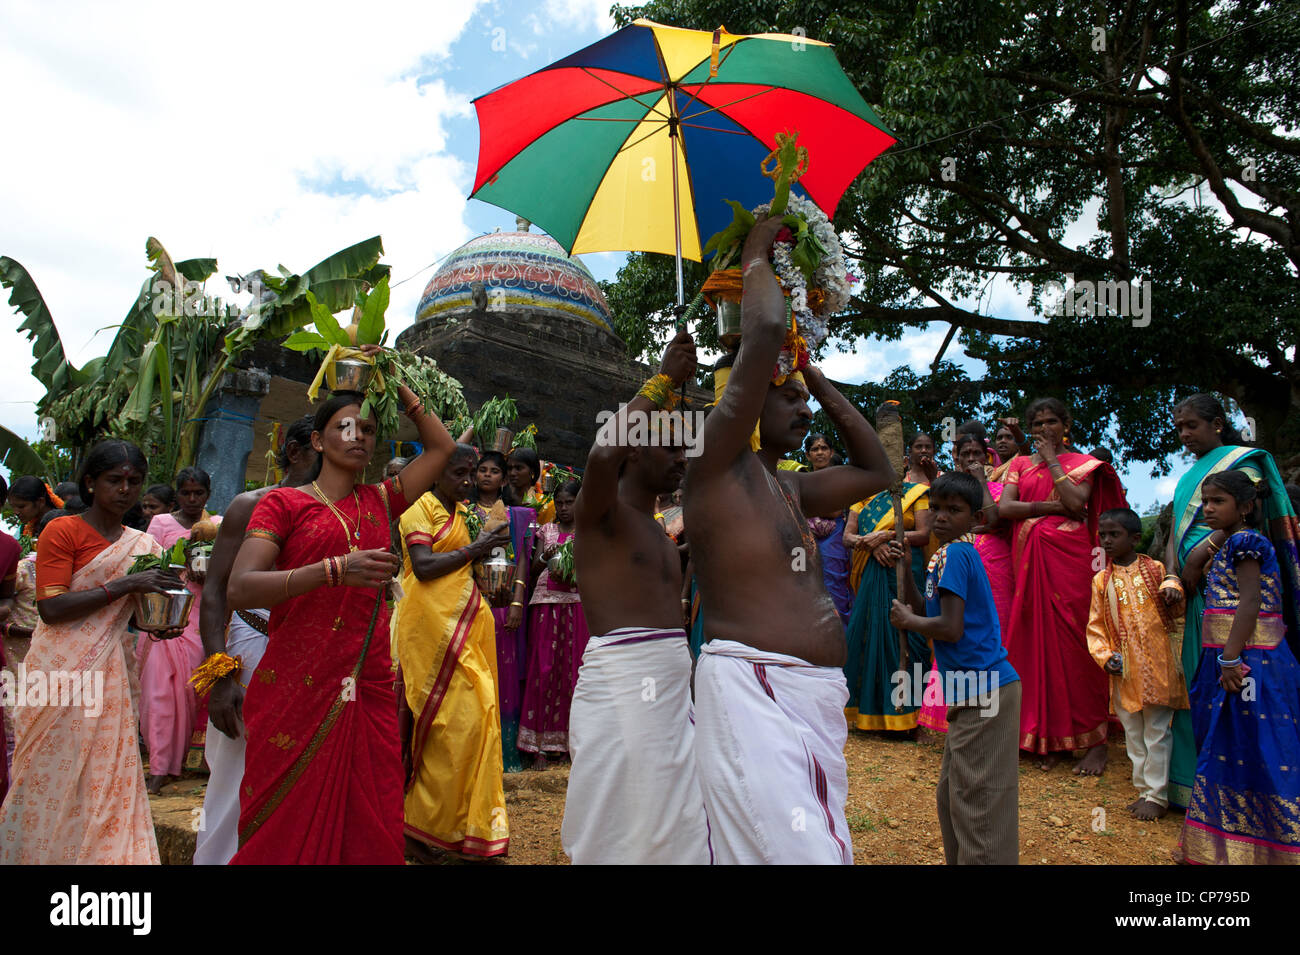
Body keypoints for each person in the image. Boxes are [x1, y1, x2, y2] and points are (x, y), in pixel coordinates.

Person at [685, 215, 895, 864]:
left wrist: (814, 375)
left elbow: (877, 469)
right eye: (790, 398)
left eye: (807, 402)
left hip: (814, 696)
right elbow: (767, 328)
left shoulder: (795, 487)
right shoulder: (715, 465)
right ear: (750, 401)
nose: (805, 411)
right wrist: (757, 245)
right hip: (752, 688)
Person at [226, 373, 455, 864]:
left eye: (368, 430)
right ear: (317, 439)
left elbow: (441, 447)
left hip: (364, 682)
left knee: (368, 809)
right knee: (284, 815)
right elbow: (241, 586)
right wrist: (333, 571)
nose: (358, 438)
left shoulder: (381, 500)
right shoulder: (284, 504)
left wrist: (397, 386)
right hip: (295, 683)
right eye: (345, 427)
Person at [0, 440, 184, 863]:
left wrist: (163, 623)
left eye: (133, 481)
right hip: (57, 671)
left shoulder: (143, 545)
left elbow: (134, 618)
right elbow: (51, 608)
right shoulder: (62, 530)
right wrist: (124, 585)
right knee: (47, 772)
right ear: (90, 482)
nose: (124, 489)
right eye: (113, 480)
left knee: (106, 777)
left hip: (111, 671)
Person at [564, 328, 709, 864]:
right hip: (623, 680)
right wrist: (665, 380)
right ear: (632, 452)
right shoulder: (599, 516)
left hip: (671, 680)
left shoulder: (660, 530)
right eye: (668, 447)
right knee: (620, 816)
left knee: (672, 814)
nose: (681, 459)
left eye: (683, 448)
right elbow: (601, 453)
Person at [1163, 393, 1300, 808]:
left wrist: (1201, 558)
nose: (1185, 434)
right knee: (1197, 684)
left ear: (1218, 423)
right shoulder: (1191, 476)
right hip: (1195, 594)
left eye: (1192, 425)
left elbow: (1242, 516)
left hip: (1230, 598)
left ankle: (1250, 796)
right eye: (1179, 428)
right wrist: (1174, 572)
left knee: (1239, 697)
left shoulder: (1245, 460)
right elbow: (1173, 532)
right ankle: (1193, 784)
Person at [191, 415, 317, 865]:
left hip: (311, 659)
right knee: (232, 778)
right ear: (296, 451)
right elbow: (215, 594)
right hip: (251, 647)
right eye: (323, 452)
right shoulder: (250, 505)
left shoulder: (336, 511)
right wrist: (219, 679)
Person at [889, 471, 1021, 864]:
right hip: (973, 690)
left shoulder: (958, 554)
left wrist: (909, 623)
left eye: (954, 510)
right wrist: (908, 572)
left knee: (977, 800)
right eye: (936, 509)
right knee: (954, 795)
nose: (942, 517)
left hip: (986, 691)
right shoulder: (942, 557)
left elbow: (948, 627)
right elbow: (926, 608)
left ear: (976, 518)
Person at [1174, 471, 1300, 864]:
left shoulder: (1246, 541)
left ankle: (1271, 848)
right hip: (1235, 658)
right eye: (1205, 502)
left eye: (1218, 502)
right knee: (1229, 747)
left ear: (1245, 507)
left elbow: (1250, 604)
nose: (1208, 509)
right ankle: (1221, 846)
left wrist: (1230, 659)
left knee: (1252, 747)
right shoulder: (1232, 541)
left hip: (1248, 663)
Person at [997, 397, 1127, 773]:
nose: (1043, 430)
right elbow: (1006, 509)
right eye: (1036, 425)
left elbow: (1076, 502)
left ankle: (1095, 741)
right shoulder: (1019, 464)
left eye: (1051, 422)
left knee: (1078, 646)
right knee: (1036, 646)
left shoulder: (1082, 464)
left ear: (1066, 424)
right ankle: (1050, 738)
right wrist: (1048, 509)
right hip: (1030, 565)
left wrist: (1053, 461)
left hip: (1071, 565)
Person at [394, 444, 510, 861]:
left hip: (466, 627)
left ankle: (458, 826)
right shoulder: (418, 511)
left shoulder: (464, 514)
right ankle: (417, 826)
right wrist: (475, 550)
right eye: (459, 473)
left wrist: (493, 571)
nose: (467, 481)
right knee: (444, 723)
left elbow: (467, 569)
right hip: (429, 630)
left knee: (477, 721)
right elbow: (424, 567)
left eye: (471, 472)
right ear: (435, 473)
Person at [1085, 508, 1189, 821]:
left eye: (1113, 534)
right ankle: (1144, 789)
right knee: (1133, 733)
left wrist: (1176, 590)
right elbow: (1095, 626)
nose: (1106, 540)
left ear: (1134, 537)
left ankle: (1156, 796)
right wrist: (1105, 657)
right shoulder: (1101, 580)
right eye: (1102, 535)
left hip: (1159, 668)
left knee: (1157, 732)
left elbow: (1178, 611)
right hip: (1124, 671)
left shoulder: (1157, 569)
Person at [841, 446, 933, 733]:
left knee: (909, 636)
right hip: (871, 570)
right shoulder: (861, 497)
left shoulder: (916, 492)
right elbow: (847, 536)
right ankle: (871, 712)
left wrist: (888, 536)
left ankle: (910, 715)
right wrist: (872, 542)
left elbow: (923, 534)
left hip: (905, 570)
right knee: (874, 635)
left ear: (904, 463)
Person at [139, 465, 219, 792]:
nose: (191, 499)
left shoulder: (216, 525)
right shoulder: (160, 524)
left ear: (207, 495)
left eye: (197, 493)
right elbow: (145, 565)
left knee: (188, 692)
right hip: (164, 613)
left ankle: (179, 762)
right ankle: (159, 766)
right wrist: (178, 566)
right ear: (176, 495)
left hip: (199, 617)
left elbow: (225, 568)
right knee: (158, 691)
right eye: (185, 493)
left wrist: (207, 574)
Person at [470, 448, 532, 773]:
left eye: (495, 471)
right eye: (482, 470)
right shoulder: (464, 512)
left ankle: (504, 756)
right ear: (474, 474)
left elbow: (521, 559)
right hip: (473, 600)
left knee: (503, 676)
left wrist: (517, 603)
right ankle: (475, 756)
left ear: (504, 478)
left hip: (504, 603)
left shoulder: (517, 515)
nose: (488, 475)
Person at [520, 480, 589, 767]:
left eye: (569, 502)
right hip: (546, 603)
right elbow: (535, 569)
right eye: (559, 502)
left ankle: (565, 744)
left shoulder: (588, 532)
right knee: (543, 669)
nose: (563, 508)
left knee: (573, 672)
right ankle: (537, 746)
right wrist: (546, 557)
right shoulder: (545, 531)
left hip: (576, 603)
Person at [806, 434, 853, 625]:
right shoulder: (803, 480)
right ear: (808, 455)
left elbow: (835, 511)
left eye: (824, 448)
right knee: (808, 585)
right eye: (815, 449)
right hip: (807, 538)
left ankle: (841, 637)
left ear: (831, 452)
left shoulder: (840, 478)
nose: (820, 452)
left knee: (836, 586)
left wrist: (808, 507)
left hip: (834, 538)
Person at [6, 476, 62, 554]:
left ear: (41, 501)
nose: (16, 512)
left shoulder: (61, 524)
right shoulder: (24, 529)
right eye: (13, 507)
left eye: (21, 506)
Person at [506, 447, 555, 525]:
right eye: (509, 468)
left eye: (518, 468)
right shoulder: (500, 499)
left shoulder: (546, 505)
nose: (512, 473)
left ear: (532, 471)